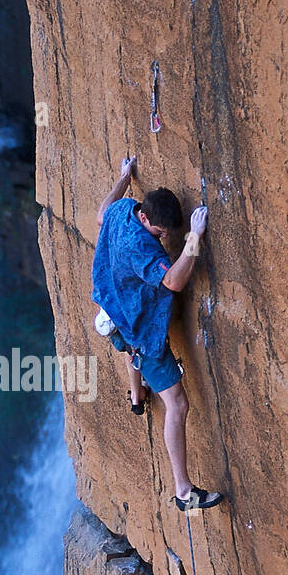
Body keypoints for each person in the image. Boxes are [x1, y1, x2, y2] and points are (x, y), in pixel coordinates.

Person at [92, 155, 224, 512]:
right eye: (160, 233)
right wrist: (194, 238)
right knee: (177, 404)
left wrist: (124, 177)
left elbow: (102, 211)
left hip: (111, 308)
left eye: (169, 233)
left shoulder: (124, 209)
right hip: (140, 328)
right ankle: (184, 492)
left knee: (126, 348)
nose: (165, 238)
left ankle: (136, 397)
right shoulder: (143, 249)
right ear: (146, 218)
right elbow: (174, 281)